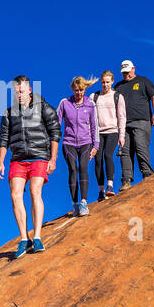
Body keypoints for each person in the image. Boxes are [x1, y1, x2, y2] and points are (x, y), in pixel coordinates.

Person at [0, 76, 60, 258]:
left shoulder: (44, 107)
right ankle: (25, 239)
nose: (19, 95)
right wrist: (1, 162)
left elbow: (55, 132)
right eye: (16, 92)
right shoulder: (9, 113)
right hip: (18, 159)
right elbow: (4, 139)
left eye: (22, 91)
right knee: (15, 195)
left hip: (39, 156)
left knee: (34, 192)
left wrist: (53, 159)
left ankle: (37, 237)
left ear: (29, 90)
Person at [58, 76, 99, 217]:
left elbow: (95, 126)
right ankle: (75, 204)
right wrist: (53, 141)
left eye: (81, 90)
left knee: (83, 167)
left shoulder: (90, 104)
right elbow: (56, 124)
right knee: (72, 169)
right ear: (72, 89)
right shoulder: (65, 103)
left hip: (85, 142)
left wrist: (96, 145)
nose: (79, 93)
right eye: (76, 90)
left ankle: (83, 203)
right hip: (68, 143)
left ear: (85, 89)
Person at [115, 60, 154, 189]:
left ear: (133, 69)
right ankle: (126, 180)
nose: (126, 74)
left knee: (141, 147)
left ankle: (147, 174)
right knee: (125, 151)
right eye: (124, 73)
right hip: (123, 124)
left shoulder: (143, 81)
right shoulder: (118, 86)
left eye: (128, 72)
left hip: (141, 121)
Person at [91, 70, 126, 200]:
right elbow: (89, 116)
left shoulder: (117, 96)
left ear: (112, 82)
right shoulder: (94, 96)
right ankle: (101, 190)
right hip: (98, 133)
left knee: (107, 155)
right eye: (103, 82)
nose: (105, 85)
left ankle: (110, 186)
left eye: (107, 82)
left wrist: (122, 135)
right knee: (98, 159)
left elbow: (122, 116)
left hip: (112, 131)